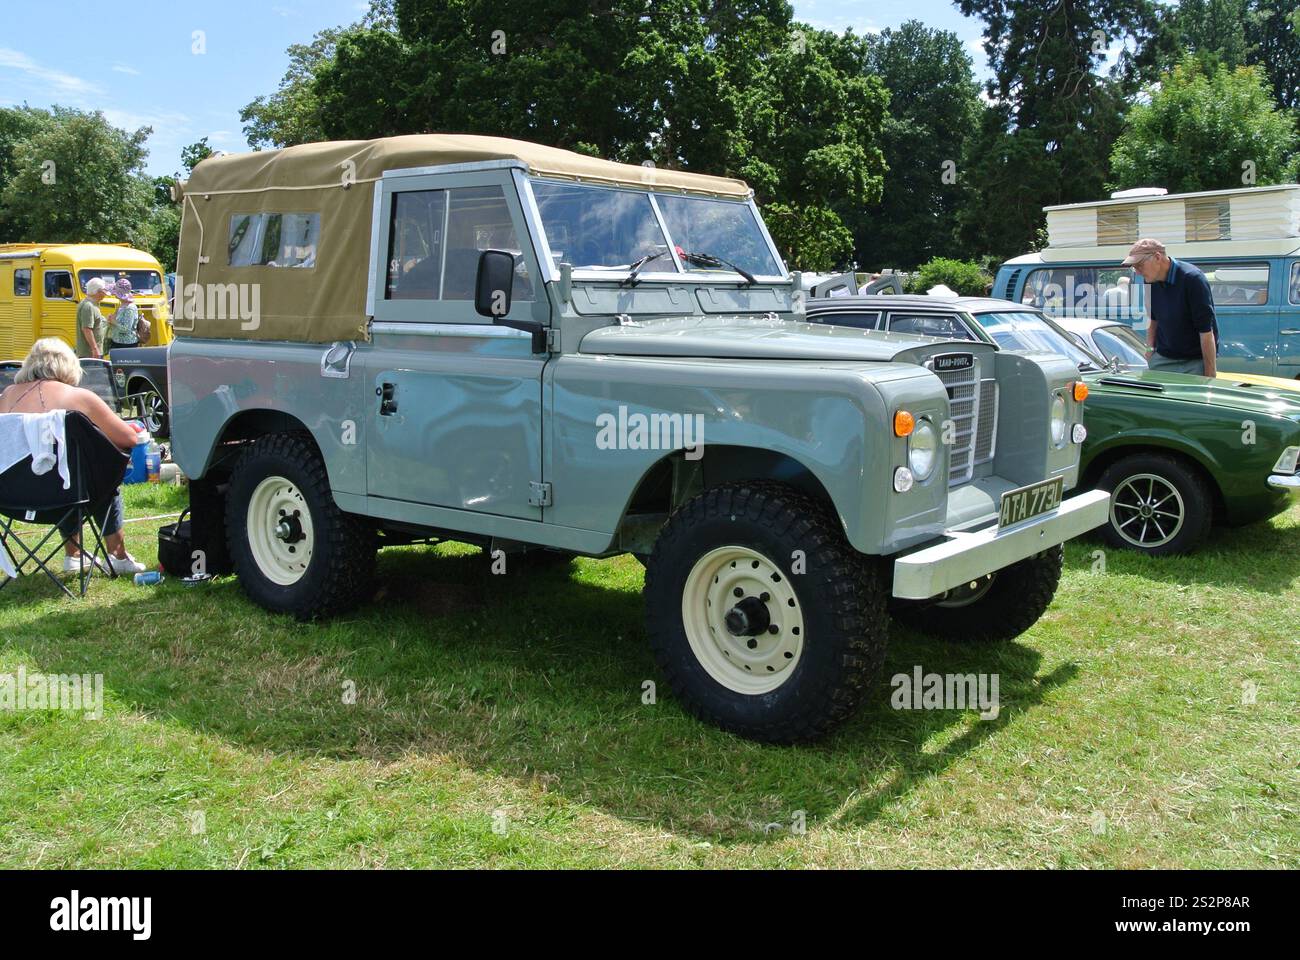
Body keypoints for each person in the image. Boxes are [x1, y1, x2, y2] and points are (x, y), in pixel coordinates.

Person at [0, 338, 146, 575]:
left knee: (64, 468)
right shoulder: (78, 397)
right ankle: (117, 554)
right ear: (68, 366)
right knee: (100, 471)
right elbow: (127, 439)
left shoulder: (6, 396)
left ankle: (74, 554)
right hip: (67, 497)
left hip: (10, 500)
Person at [1122, 238, 1219, 377]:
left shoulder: (1193, 279)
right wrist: (1149, 349)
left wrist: (1210, 377)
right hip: (1162, 359)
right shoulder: (1149, 280)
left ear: (1157, 257)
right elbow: (1153, 318)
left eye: (1139, 265)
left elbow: (1206, 332)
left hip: (1194, 362)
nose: (1137, 272)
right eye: (1134, 267)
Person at [104, 278, 142, 356]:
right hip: (118, 342)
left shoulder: (129, 308)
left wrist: (113, 321)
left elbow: (126, 329)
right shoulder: (122, 306)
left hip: (127, 345)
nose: (114, 295)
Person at [76, 278, 110, 360]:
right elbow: (87, 329)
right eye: (104, 292)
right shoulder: (88, 306)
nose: (105, 294)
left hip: (94, 351)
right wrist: (94, 349)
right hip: (89, 353)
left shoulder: (93, 304)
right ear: (97, 292)